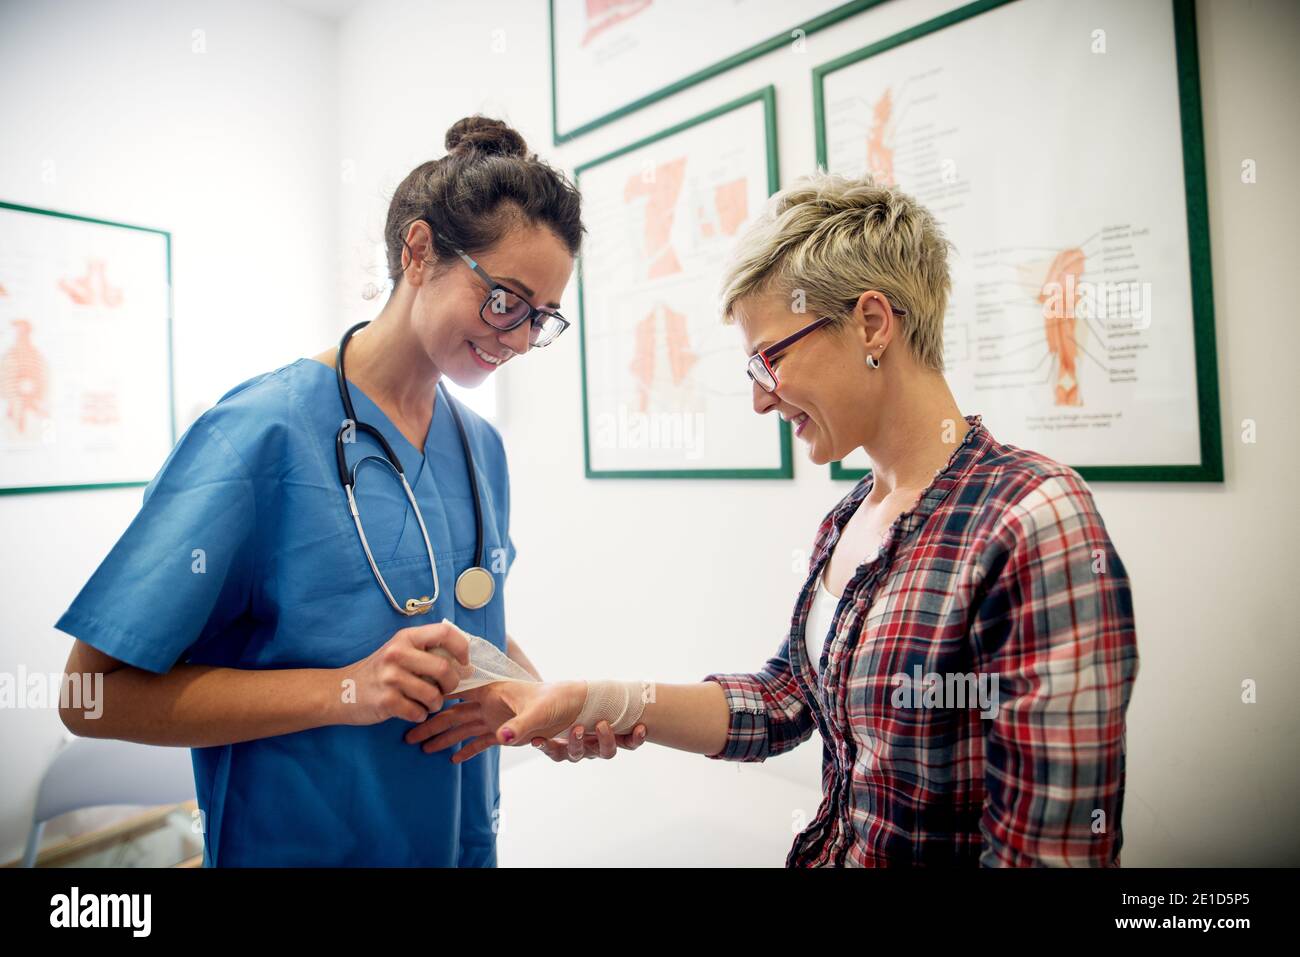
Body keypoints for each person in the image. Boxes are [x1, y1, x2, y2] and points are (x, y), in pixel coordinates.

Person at [421, 171, 1141, 867]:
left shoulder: (1032, 520)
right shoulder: (850, 517)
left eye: (770, 359)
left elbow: (1049, 853)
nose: (763, 399)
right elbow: (784, 700)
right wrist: (588, 698)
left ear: (871, 322)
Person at [55, 116, 642, 867]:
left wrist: (535, 700)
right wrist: (347, 689)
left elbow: (463, 622)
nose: (522, 339)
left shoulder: (479, 447)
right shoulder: (257, 436)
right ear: (420, 251)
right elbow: (89, 696)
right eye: (505, 301)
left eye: (543, 318)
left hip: (459, 842)